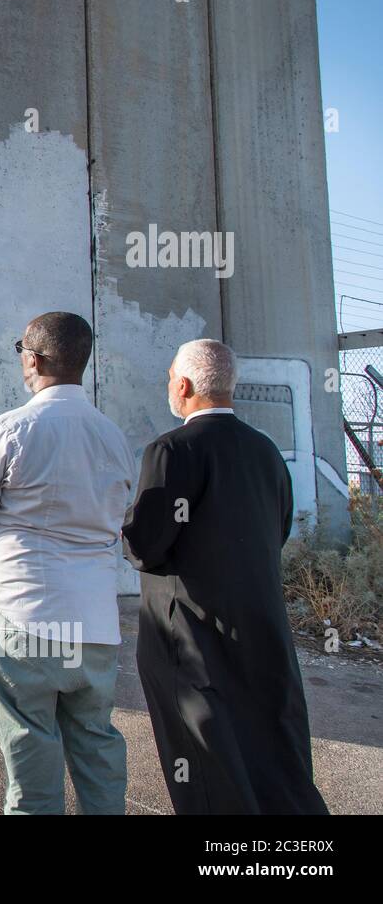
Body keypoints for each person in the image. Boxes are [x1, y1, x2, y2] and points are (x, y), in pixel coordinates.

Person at [122, 339, 328, 814]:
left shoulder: (171, 450)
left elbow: (144, 546)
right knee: (275, 760)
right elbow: (276, 531)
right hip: (263, 634)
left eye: (170, 377)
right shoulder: (267, 452)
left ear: (186, 385)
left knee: (206, 769)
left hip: (191, 642)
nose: (169, 385)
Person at [0, 312, 136, 814]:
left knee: (30, 760)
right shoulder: (113, 438)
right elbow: (120, 520)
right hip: (95, 624)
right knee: (97, 748)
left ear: (31, 358)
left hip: (19, 615)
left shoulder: (9, 429)